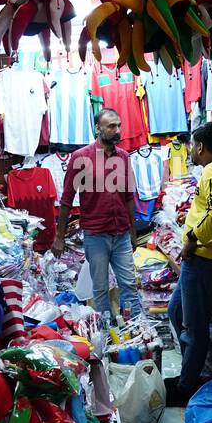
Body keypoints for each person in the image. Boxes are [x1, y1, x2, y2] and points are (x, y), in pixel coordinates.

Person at [167, 121, 212, 406]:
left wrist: (193, 239)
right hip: (203, 260)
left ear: (199, 146)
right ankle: (191, 369)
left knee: (194, 327)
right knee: (177, 312)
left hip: (203, 260)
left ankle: (187, 386)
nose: (190, 150)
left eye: (192, 145)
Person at [53, 108, 144, 325]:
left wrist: (132, 232)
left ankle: (139, 332)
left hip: (121, 234)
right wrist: (59, 236)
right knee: (101, 289)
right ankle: (107, 333)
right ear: (98, 128)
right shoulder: (80, 158)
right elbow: (66, 199)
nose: (117, 130)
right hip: (96, 235)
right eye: (112, 126)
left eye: (119, 125)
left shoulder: (123, 157)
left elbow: (128, 196)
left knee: (129, 285)